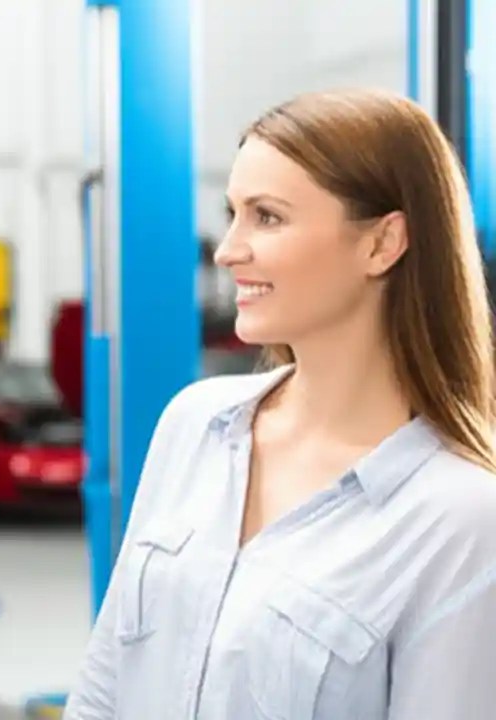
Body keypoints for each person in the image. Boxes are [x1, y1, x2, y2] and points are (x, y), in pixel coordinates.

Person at [63, 89, 496, 720]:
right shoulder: (195, 425)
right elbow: (105, 688)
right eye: (233, 213)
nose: (228, 249)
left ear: (382, 244)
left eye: (267, 216)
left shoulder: (460, 519)